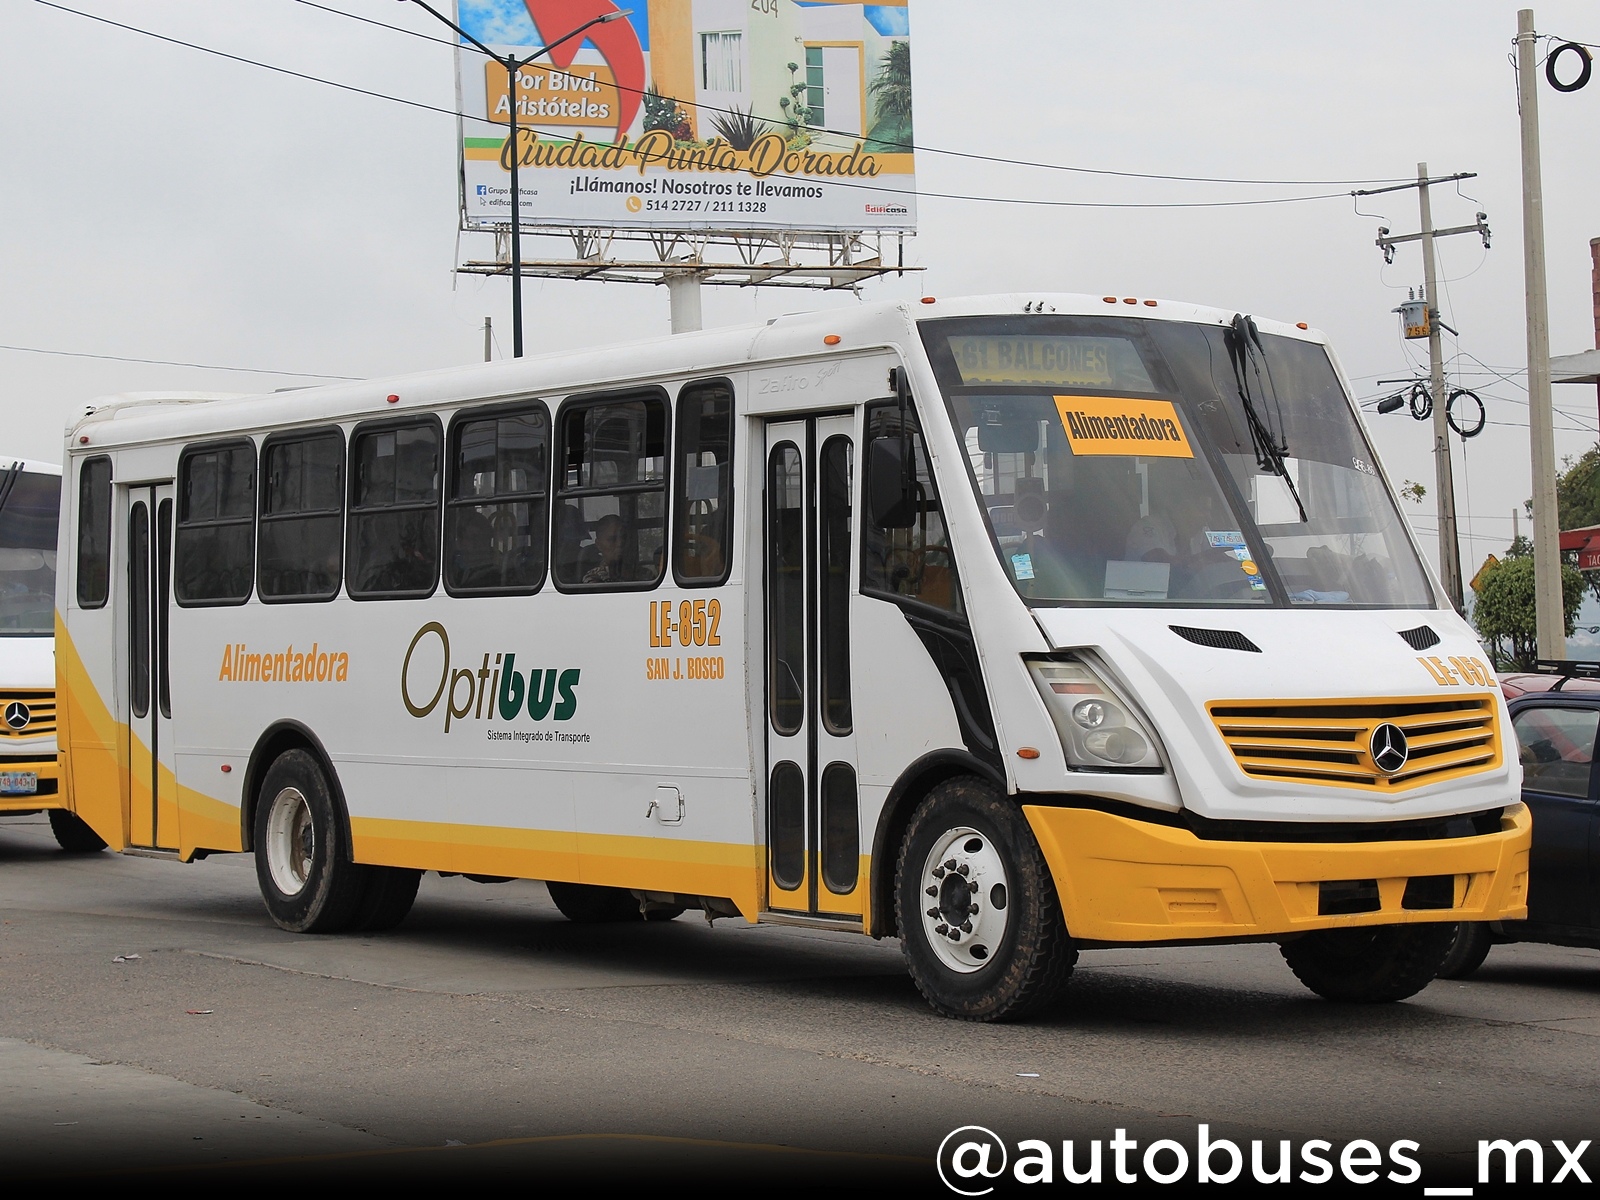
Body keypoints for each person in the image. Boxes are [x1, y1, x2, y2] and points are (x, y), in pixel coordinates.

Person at [583, 513, 630, 583]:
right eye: (612, 539)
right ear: (599, 544)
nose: (620, 544)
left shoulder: (645, 575)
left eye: (624, 538)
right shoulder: (593, 577)